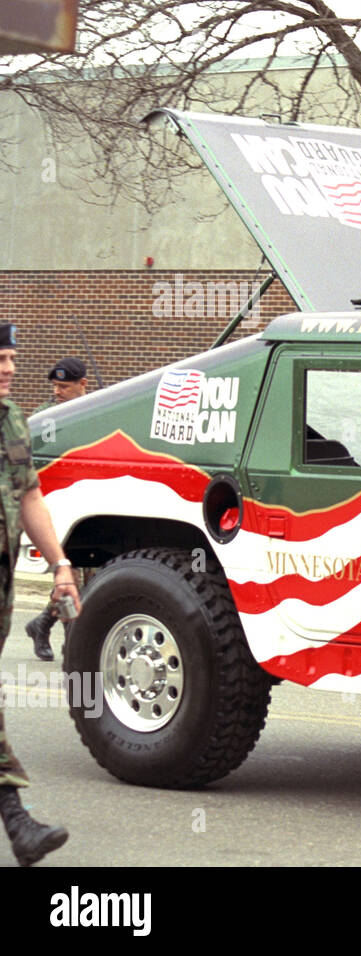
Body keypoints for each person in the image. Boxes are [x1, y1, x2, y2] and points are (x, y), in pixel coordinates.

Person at [0, 323, 78, 865]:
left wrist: (61, 565)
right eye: (0, 359)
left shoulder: (10, 416)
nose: (10, 368)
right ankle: (16, 818)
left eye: (10, 358)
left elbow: (29, 495)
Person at [27, 356, 92, 661]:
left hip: (90, 506)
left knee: (91, 580)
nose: (57, 392)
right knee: (70, 577)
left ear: (83, 384)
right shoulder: (45, 417)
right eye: (54, 386)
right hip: (57, 506)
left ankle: (42, 624)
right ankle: (71, 642)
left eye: (63, 387)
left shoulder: (100, 412)